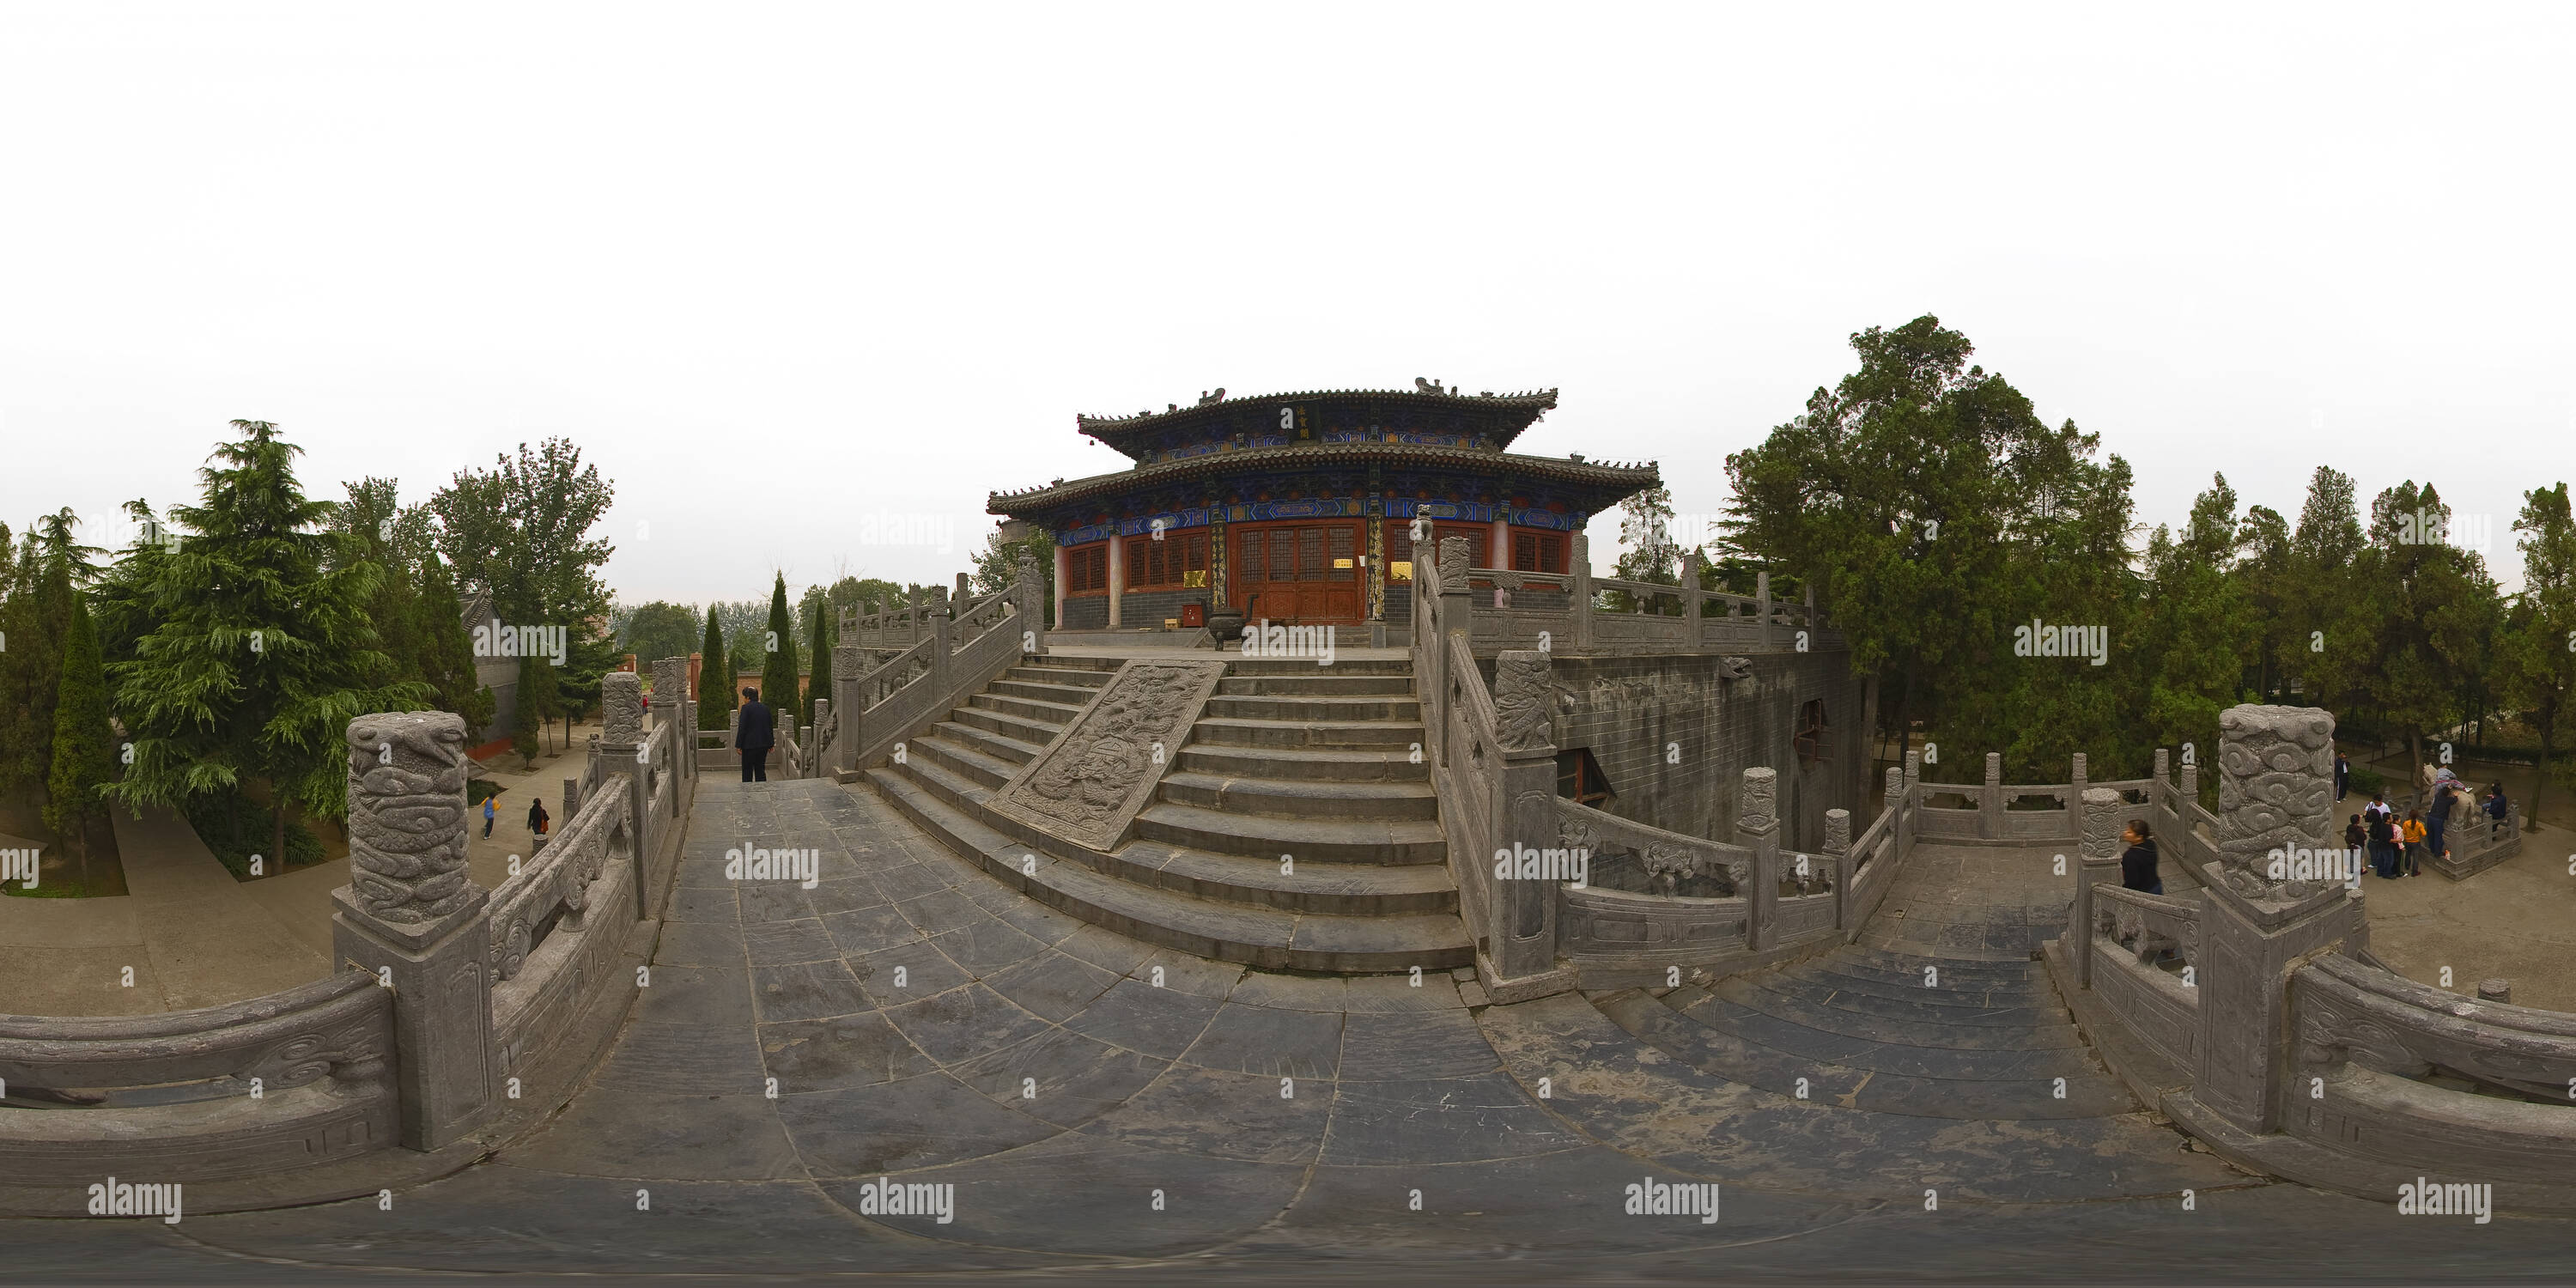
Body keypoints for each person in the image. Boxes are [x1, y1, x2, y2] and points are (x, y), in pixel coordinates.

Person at [738, 685, 775, 782]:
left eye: (744, 697)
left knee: (747, 771)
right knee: (760, 769)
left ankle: (748, 792)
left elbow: (742, 728)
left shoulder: (746, 708)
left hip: (748, 746)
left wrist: (738, 745)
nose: (744, 700)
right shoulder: (765, 708)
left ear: (748, 697)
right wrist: (771, 744)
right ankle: (762, 791)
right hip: (763, 745)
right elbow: (769, 726)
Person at [2120, 818, 2161, 896]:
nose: (2125, 833)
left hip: (2143, 892)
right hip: (2156, 886)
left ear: (2139, 837)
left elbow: (2131, 881)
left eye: (2129, 832)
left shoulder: (2130, 856)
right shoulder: (2151, 844)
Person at [2366, 808, 2399, 878]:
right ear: (2388, 820)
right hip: (2387, 846)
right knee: (2389, 860)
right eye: (2391, 818)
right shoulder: (2388, 827)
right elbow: (2389, 839)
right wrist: (2397, 840)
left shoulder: (2382, 825)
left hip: (2381, 845)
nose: (2392, 818)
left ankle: (2379, 872)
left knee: (2381, 859)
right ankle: (2386, 873)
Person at [2400, 809, 2425, 878]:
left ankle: (2407, 866)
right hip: (2416, 842)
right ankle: (2414, 871)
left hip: (2408, 841)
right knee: (2416, 857)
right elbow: (2424, 833)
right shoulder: (2419, 825)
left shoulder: (2406, 823)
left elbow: (2404, 832)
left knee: (2408, 854)